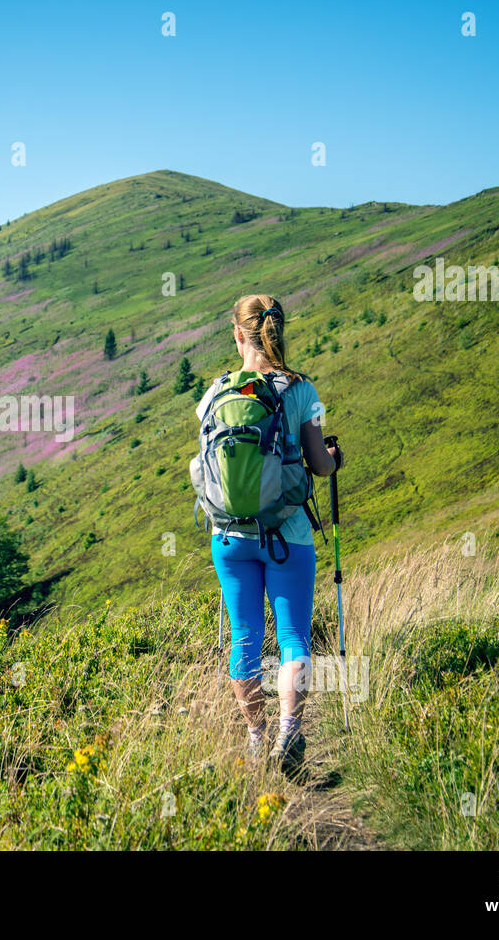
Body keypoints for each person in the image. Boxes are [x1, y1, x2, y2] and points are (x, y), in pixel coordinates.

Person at [207, 294, 342, 775]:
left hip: (230, 535)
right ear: (278, 332)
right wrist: (333, 456)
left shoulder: (215, 391)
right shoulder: (303, 391)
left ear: (238, 334)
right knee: (292, 638)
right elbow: (320, 466)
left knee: (244, 638)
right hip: (289, 532)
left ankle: (255, 739)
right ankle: (290, 731)